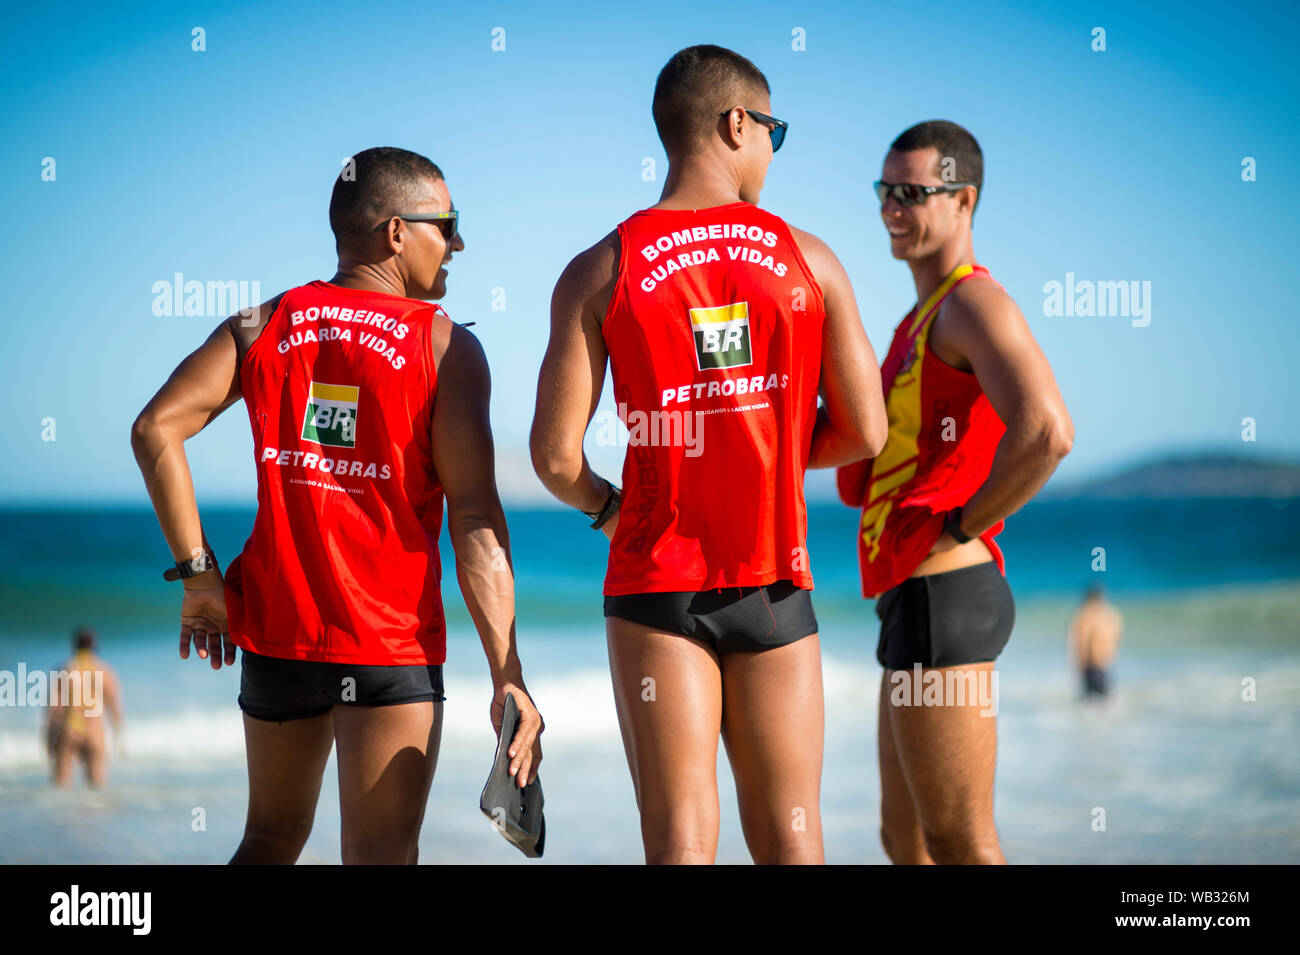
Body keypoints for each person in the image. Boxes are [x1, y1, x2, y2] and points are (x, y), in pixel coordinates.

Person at [131, 146, 542, 864]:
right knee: (379, 853)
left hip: (277, 634)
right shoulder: (443, 346)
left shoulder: (262, 325)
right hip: (389, 644)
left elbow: (154, 428)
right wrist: (508, 671)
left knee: (268, 838)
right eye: (446, 225)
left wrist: (199, 575)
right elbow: (474, 519)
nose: (459, 243)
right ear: (394, 232)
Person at [531, 45, 886, 865]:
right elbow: (866, 432)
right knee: (794, 840)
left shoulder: (599, 268)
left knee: (682, 843)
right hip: (772, 581)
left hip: (657, 580)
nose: (771, 150)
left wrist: (610, 507)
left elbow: (553, 459)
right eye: (774, 131)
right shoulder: (811, 259)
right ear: (736, 124)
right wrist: (761, 455)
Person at [836, 121, 1073, 865]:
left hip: (946, 590)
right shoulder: (919, 317)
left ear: (963, 200)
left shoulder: (972, 305)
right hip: (910, 598)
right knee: (902, 838)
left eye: (912, 192)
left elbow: (1047, 432)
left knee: (959, 840)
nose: (891, 209)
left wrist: (964, 523)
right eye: (884, 191)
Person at [45, 627, 123, 788]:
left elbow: (53, 709)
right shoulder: (105, 671)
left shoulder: (65, 669)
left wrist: (48, 738)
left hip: (70, 730)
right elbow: (115, 709)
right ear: (94, 645)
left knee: (61, 785)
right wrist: (118, 737)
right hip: (94, 731)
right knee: (97, 787)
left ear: (74, 645)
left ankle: (58, 814)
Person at [1069, 585, 1122, 699]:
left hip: (1092, 665)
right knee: (1104, 701)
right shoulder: (1111, 615)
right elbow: (1116, 639)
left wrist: (1078, 664)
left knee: (1091, 701)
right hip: (1106, 663)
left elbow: (1080, 641)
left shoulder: (1085, 615)